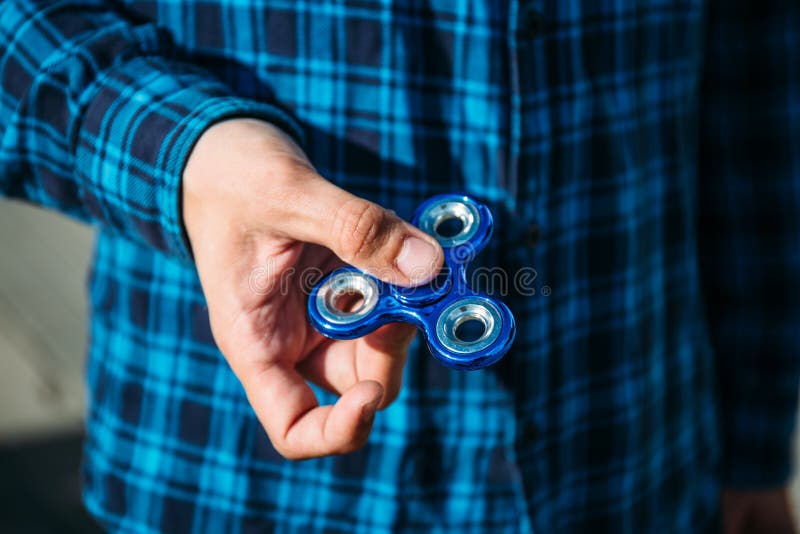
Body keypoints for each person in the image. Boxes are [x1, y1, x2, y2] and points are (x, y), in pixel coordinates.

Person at [1, 0, 798, 532]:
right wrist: (190, 155)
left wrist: (755, 438)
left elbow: (756, 83)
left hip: (632, 455)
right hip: (230, 462)